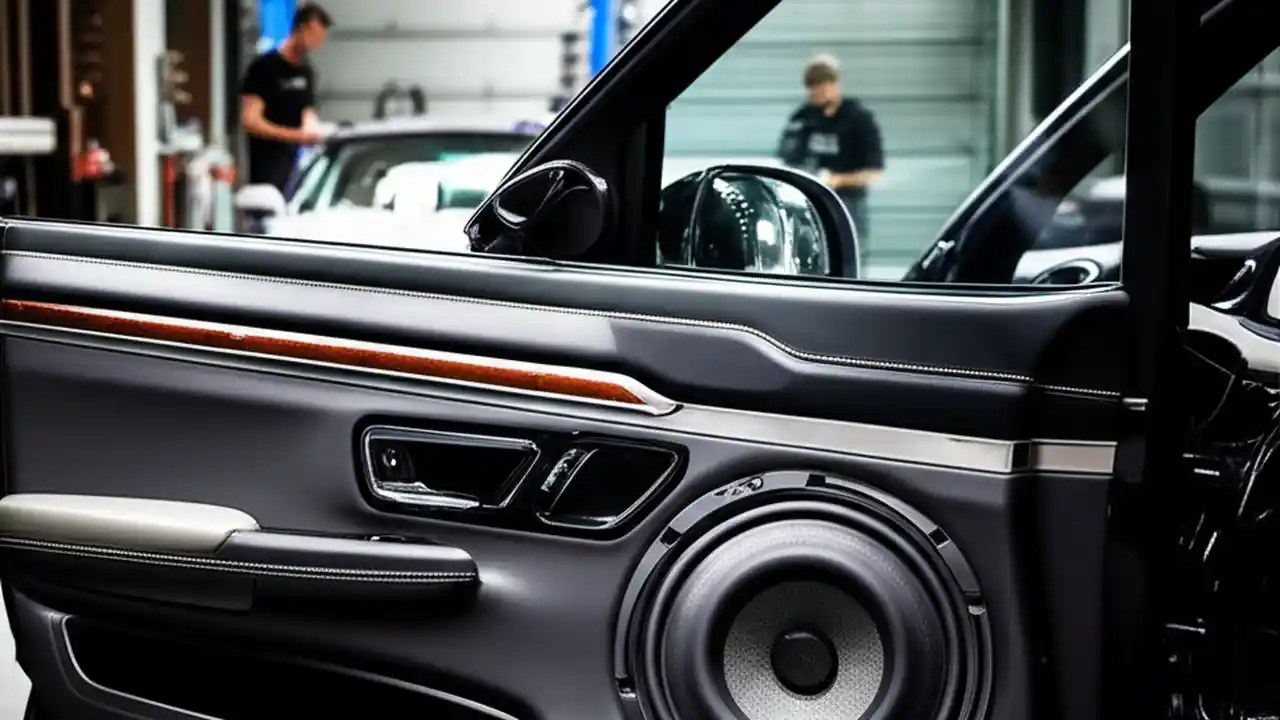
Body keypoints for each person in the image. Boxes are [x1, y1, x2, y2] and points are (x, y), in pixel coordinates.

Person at [778, 54, 884, 268]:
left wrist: (837, 180)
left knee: (849, 263)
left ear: (835, 84)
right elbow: (787, 159)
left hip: (848, 206)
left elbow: (875, 174)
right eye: (813, 88)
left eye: (823, 86)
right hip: (807, 205)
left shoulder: (858, 119)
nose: (818, 93)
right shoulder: (802, 118)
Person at [240, 3, 333, 194]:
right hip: (265, 167)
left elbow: (307, 112)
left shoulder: (306, 72)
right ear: (301, 29)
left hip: (293, 167)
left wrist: (317, 131)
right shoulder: (264, 67)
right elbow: (250, 120)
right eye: (314, 36)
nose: (317, 43)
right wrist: (295, 135)